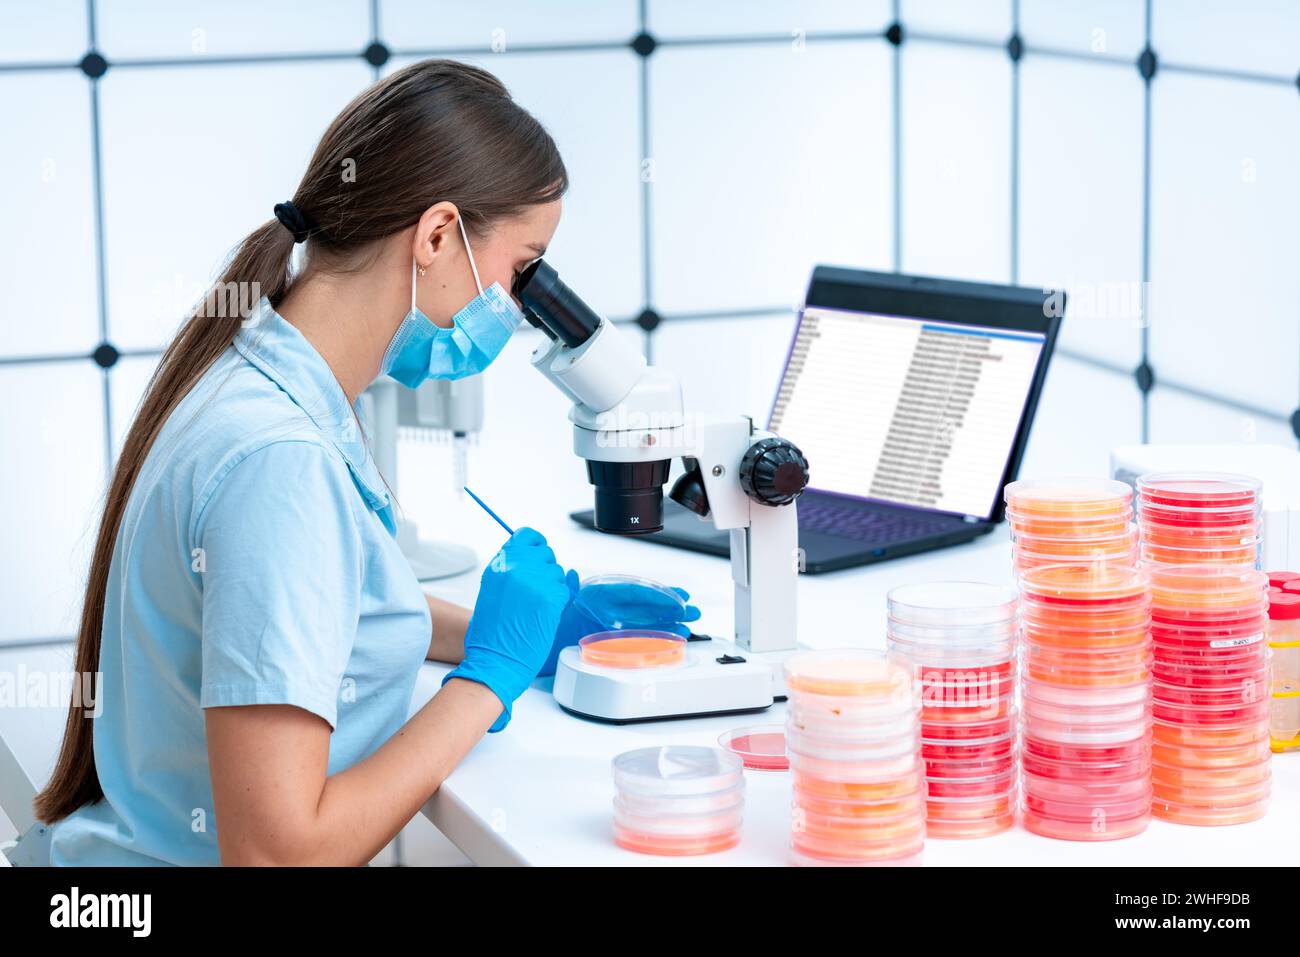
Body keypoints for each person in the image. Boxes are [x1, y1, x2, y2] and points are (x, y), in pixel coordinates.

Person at [37, 59, 697, 866]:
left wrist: (532, 634)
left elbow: (311, 612)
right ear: (436, 236)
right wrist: (488, 680)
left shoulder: (258, 380)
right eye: (523, 270)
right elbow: (278, 855)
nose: (523, 307)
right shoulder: (279, 462)